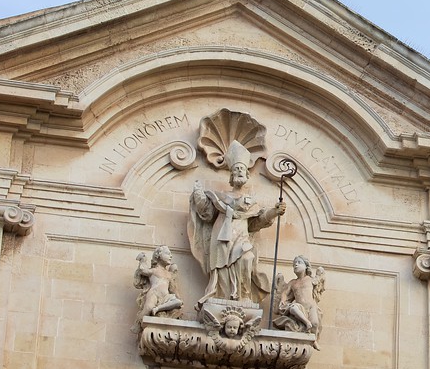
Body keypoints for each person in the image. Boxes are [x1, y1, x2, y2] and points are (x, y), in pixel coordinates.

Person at [188, 140, 285, 305]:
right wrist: (199, 196)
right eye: (236, 169)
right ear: (231, 176)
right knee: (222, 269)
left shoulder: (251, 202)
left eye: (242, 169)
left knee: (247, 258)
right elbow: (207, 213)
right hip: (221, 238)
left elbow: (256, 222)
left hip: (242, 237)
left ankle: (243, 295)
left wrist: (273, 212)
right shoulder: (220, 197)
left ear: (247, 175)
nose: (239, 171)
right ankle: (221, 296)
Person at [274, 255, 325, 348]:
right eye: (294, 264)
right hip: (300, 307)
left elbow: (320, 280)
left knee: (315, 323)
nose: (296, 265)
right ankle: (306, 322)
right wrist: (282, 299)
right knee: (293, 308)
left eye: (299, 262)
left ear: (306, 266)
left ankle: (314, 340)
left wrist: (320, 272)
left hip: (311, 306)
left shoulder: (310, 279)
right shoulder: (293, 282)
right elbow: (285, 292)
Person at [133, 245, 183, 332]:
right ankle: (137, 324)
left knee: (178, 302)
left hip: (166, 297)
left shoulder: (169, 274)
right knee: (148, 307)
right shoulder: (154, 270)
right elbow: (143, 270)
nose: (171, 256)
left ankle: (158, 308)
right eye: (167, 254)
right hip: (154, 294)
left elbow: (173, 289)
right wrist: (142, 260)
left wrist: (178, 298)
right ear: (158, 256)